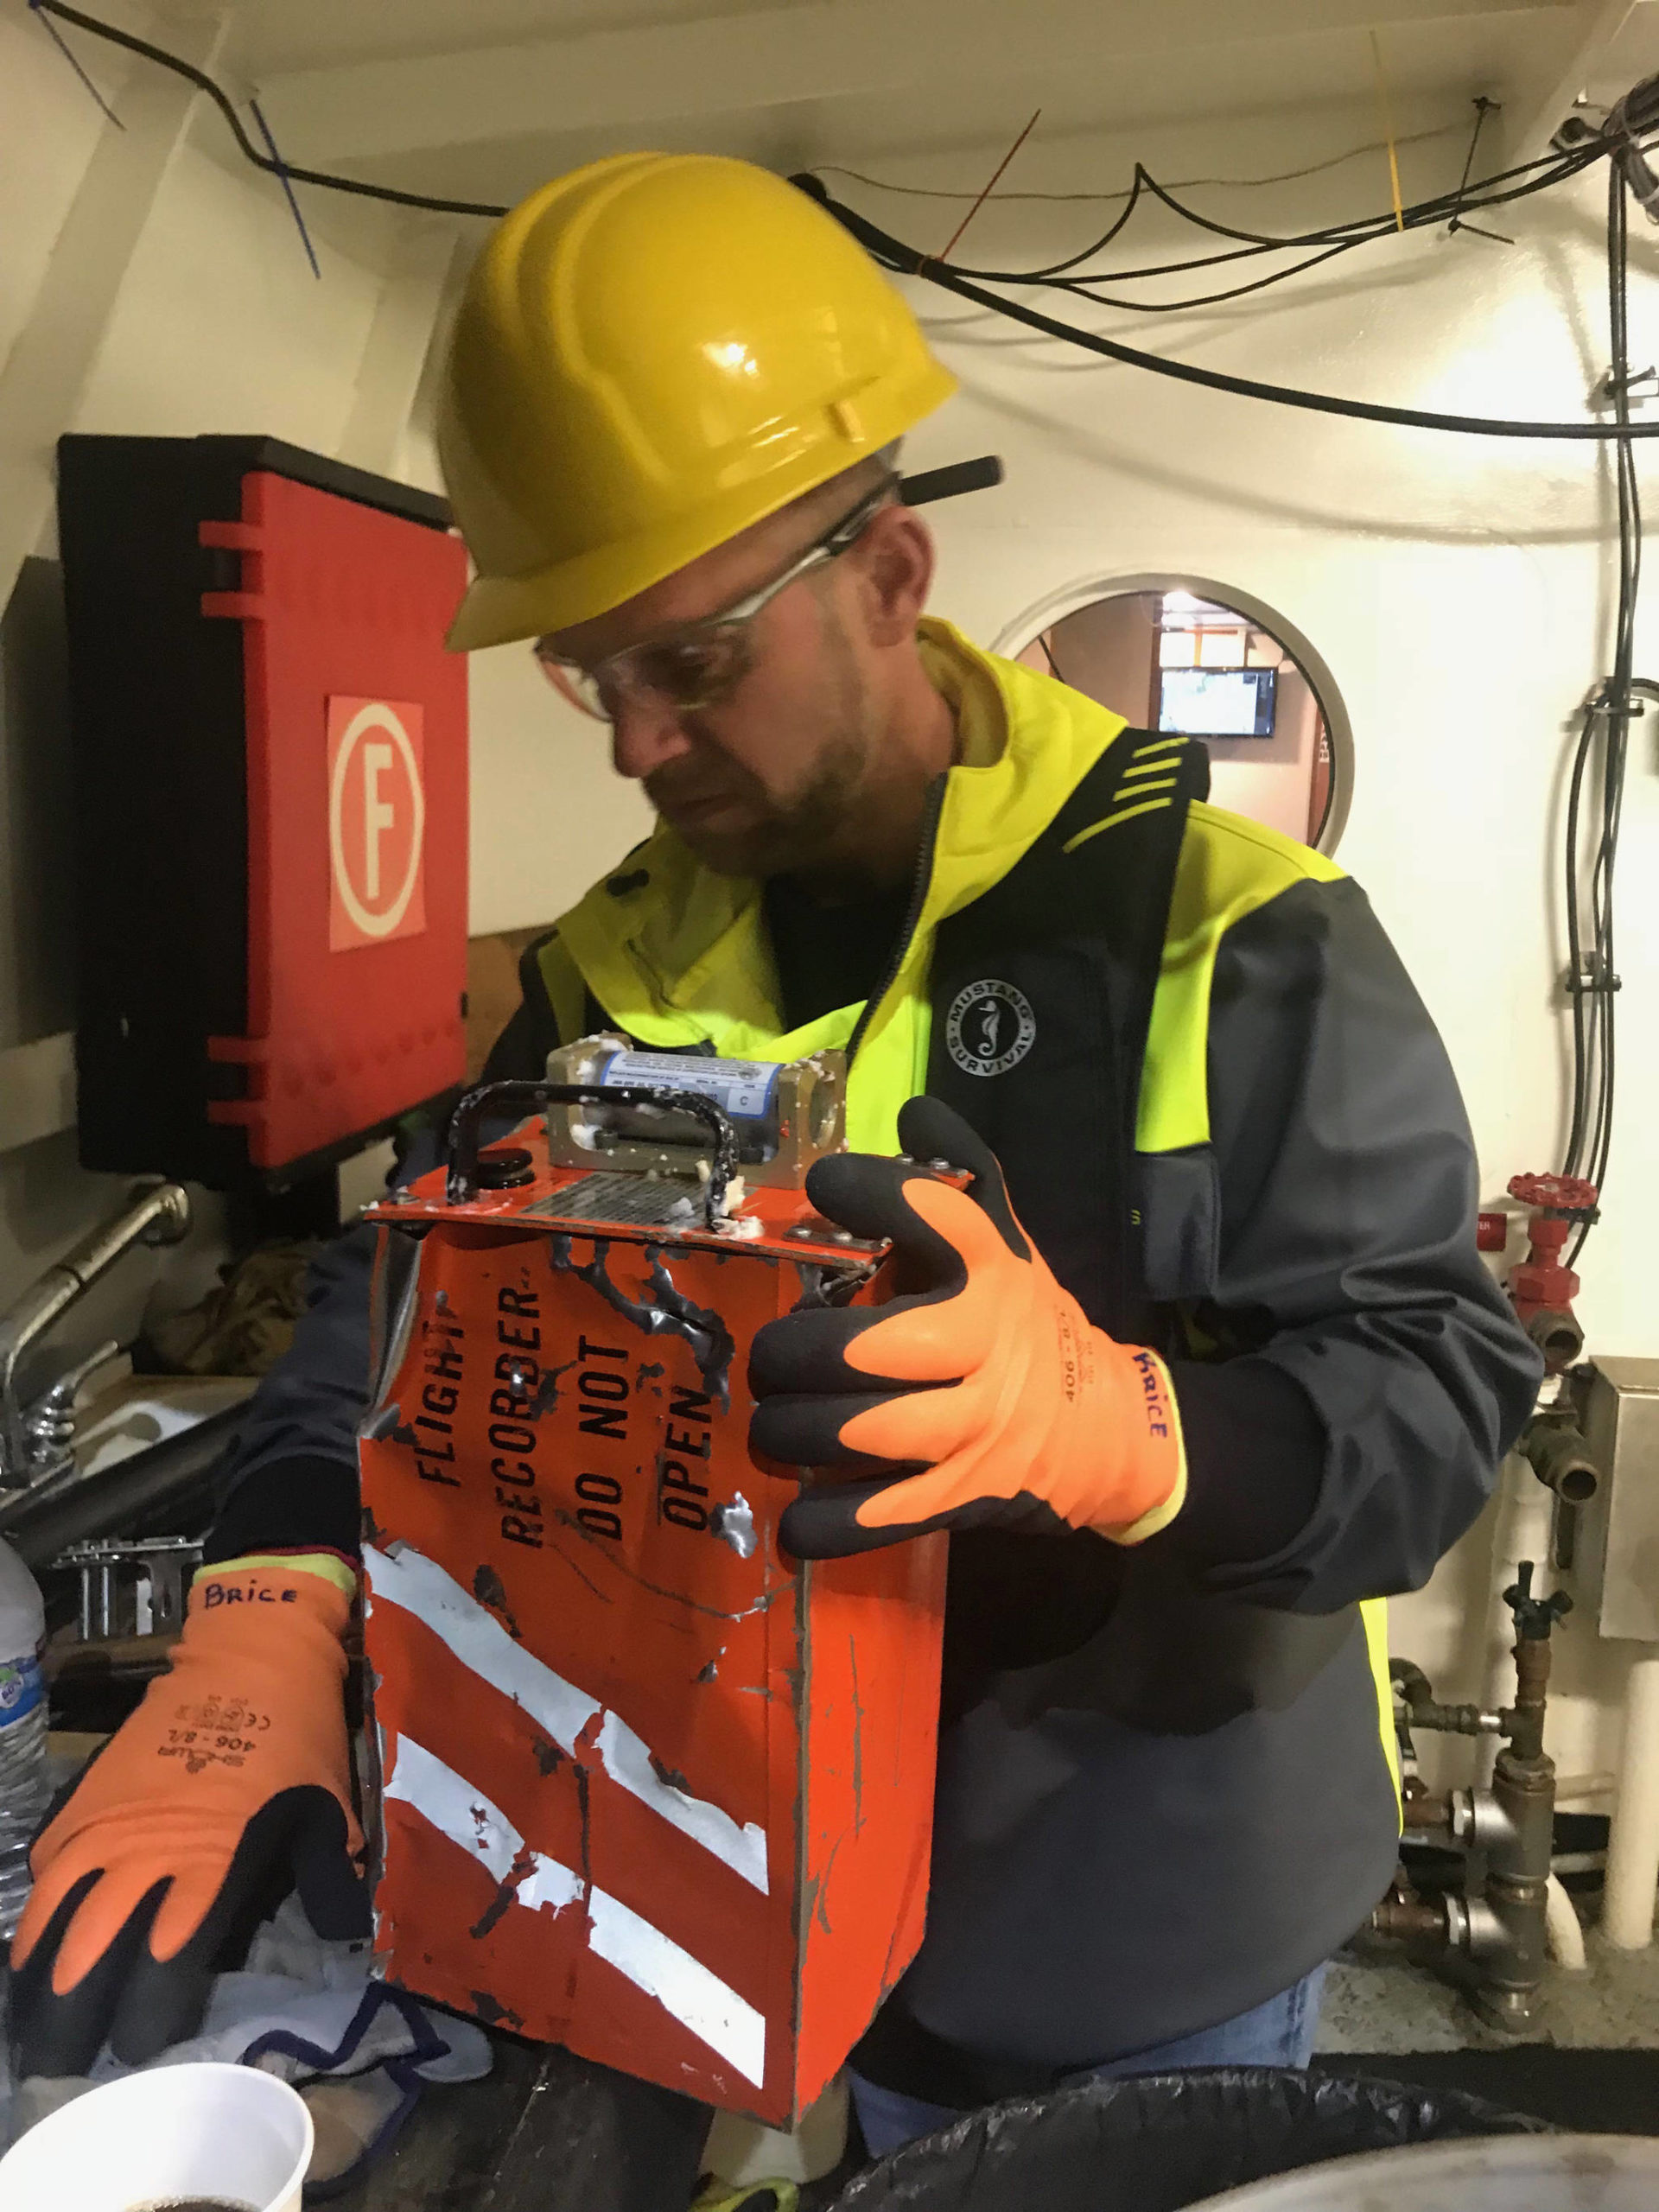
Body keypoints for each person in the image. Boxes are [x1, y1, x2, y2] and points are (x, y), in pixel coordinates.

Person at [10, 153, 1541, 2153]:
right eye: (591, 675)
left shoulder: (1230, 934)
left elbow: (1432, 1401)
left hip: (1143, 1910)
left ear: (890, 577)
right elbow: (398, 1305)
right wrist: (274, 1604)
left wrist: (1113, 1420)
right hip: (764, 1873)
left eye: (693, 661)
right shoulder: (625, 958)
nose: (637, 743)